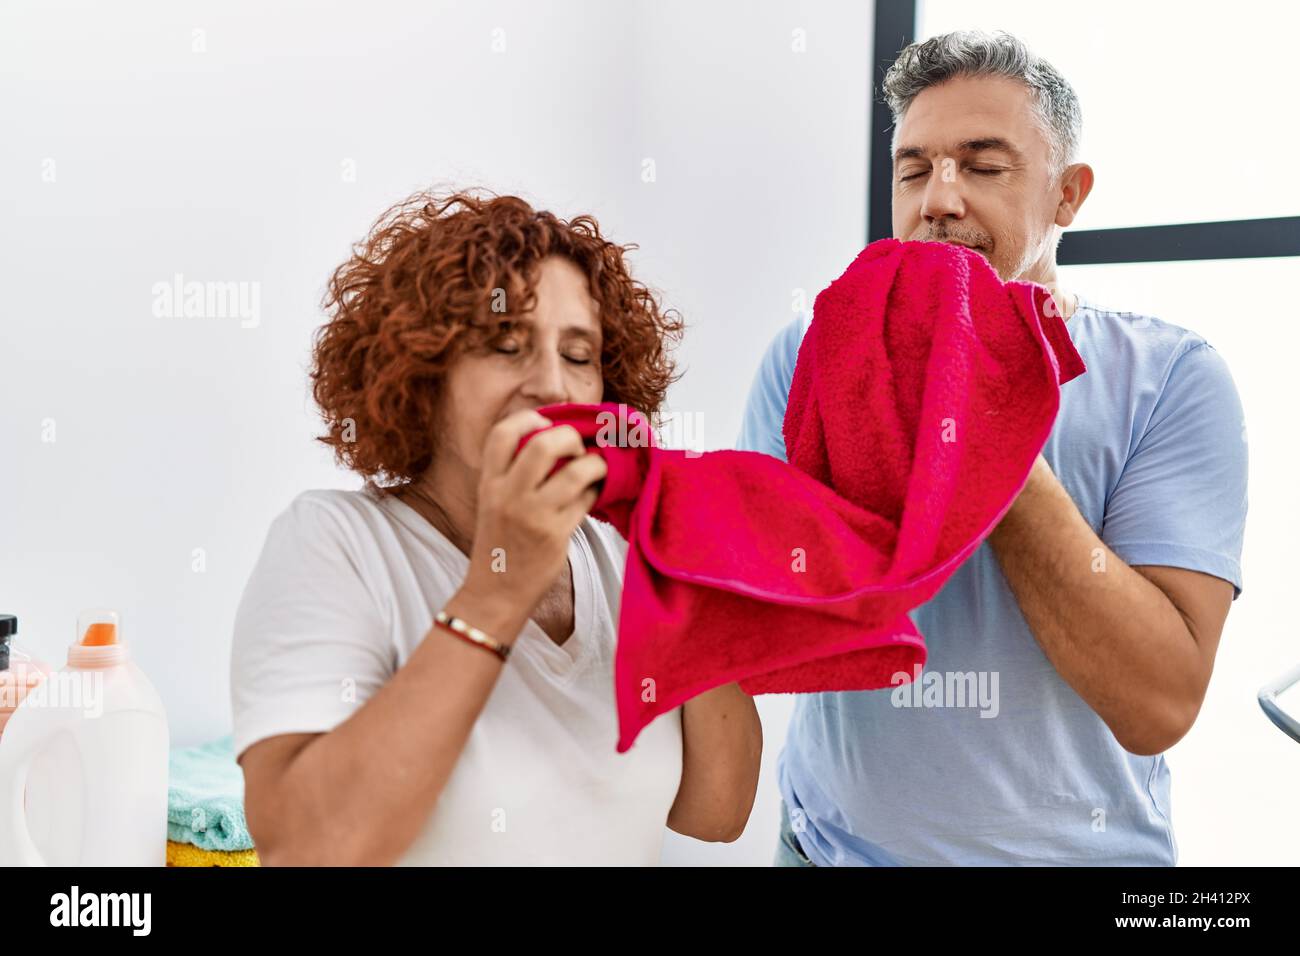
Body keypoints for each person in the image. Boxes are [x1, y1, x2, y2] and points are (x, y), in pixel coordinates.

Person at [742, 30, 1248, 866]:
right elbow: (754, 614)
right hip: (830, 853)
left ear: (1068, 195)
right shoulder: (813, 353)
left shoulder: (1171, 379)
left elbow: (1159, 704)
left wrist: (986, 428)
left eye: (983, 166)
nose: (938, 201)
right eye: (913, 170)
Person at [231, 189, 762, 865]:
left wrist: (695, 575)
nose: (549, 386)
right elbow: (305, 846)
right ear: (425, 373)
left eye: (578, 355)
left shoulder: (629, 555)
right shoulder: (336, 544)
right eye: (506, 344)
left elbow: (716, 810)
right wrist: (499, 589)